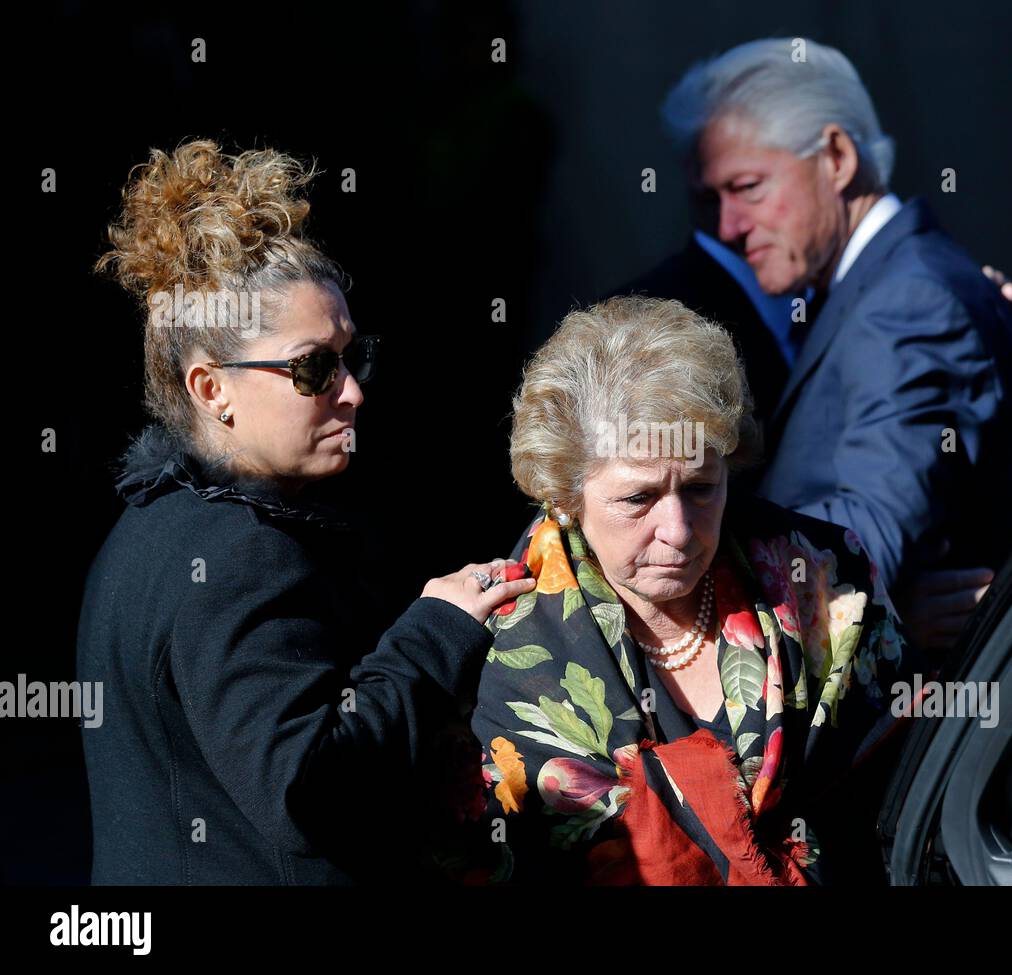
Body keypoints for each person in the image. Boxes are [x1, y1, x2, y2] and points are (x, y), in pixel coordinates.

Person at [76, 140, 534, 884]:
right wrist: (435, 630)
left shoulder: (147, 526)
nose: (351, 391)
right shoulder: (235, 553)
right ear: (211, 389)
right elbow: (312, 790)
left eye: (353, 357)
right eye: (313, 367)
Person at [456, 296, 928, 885]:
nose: (678, 530)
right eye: (639, 498)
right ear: (564, 495)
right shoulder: (500, 642)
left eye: (702, 488)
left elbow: (916, 804)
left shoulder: (827, 579)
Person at [656, 38, 1012, 634]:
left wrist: (872, 620)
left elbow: (867, 538)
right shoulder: (889, 285)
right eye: (709, 199)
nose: (727, 227)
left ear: (837, 157)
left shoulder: (908, 300)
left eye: (747, 187)